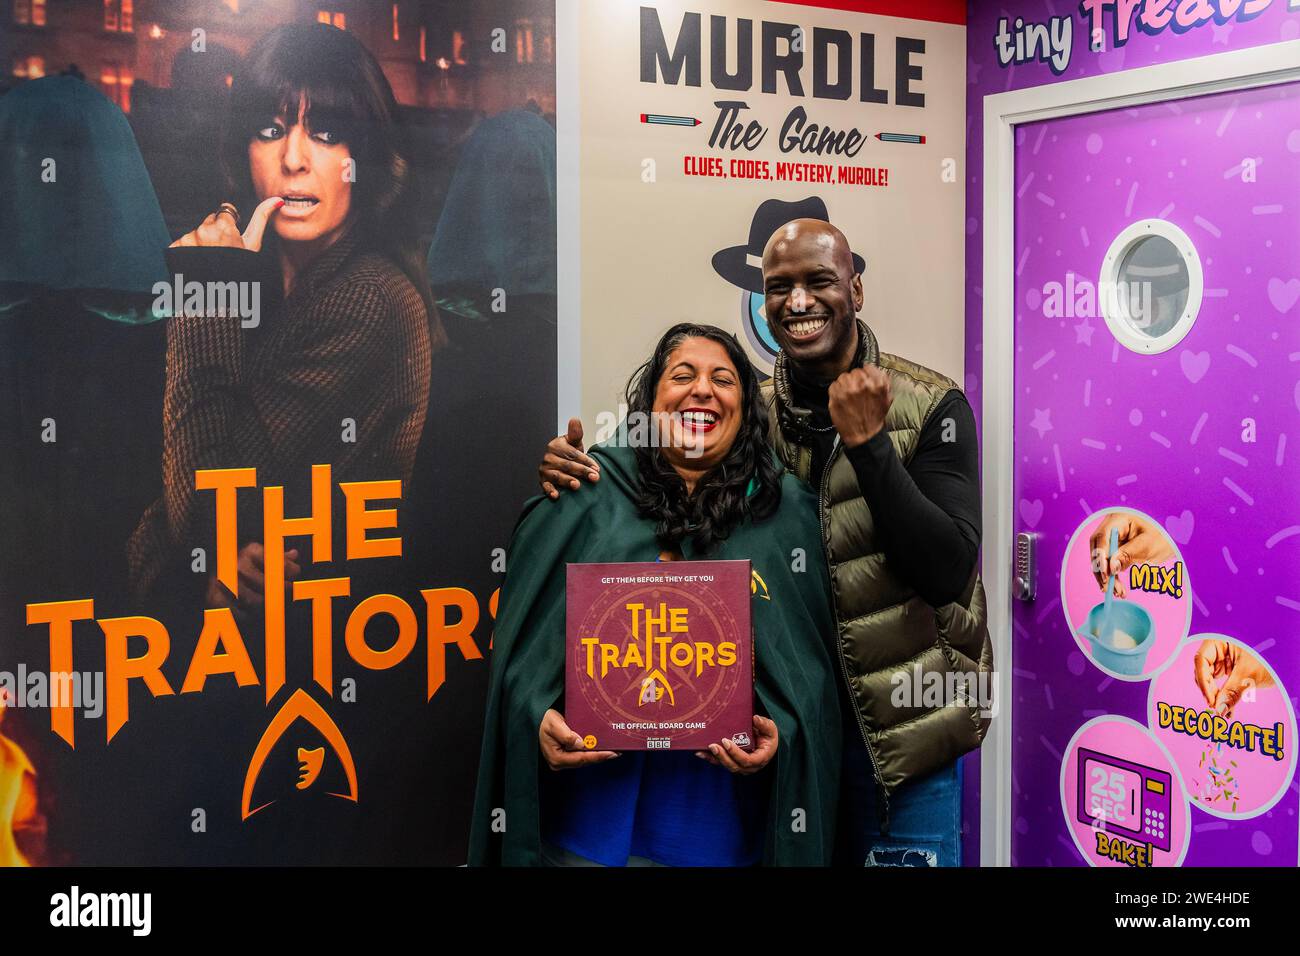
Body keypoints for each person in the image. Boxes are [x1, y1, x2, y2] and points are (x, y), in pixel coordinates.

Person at [539, 206, 994, 868]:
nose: (798, 301)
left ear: (855, 289)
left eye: (819, 280)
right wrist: (577, 467)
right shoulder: (745, 411)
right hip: (789, 727)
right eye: (779, 286)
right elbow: (658, 475)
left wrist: (870, 446)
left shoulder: (930, 404)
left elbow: (948, 572)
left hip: (899, 741)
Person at [470, 323, 841, 866]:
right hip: (587, 824)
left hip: (720, 827)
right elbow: (522, 659)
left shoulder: (786, 516)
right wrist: (535, 719)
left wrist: (780, 735)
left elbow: (810, 683)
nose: (702, 390)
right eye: (682, 376)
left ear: (746, 411)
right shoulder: (581, 497)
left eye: (724, 380)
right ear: (650, 401)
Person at [127, 21, 441, 611]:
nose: (293, 159)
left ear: (365, 158)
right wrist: (203, 557)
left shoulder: (369, 296)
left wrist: (207, 290)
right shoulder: (266, 279)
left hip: (338, 636)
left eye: (326, 133)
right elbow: (165, 519)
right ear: (242, 151)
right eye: (270, 131)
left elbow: (201, 509)